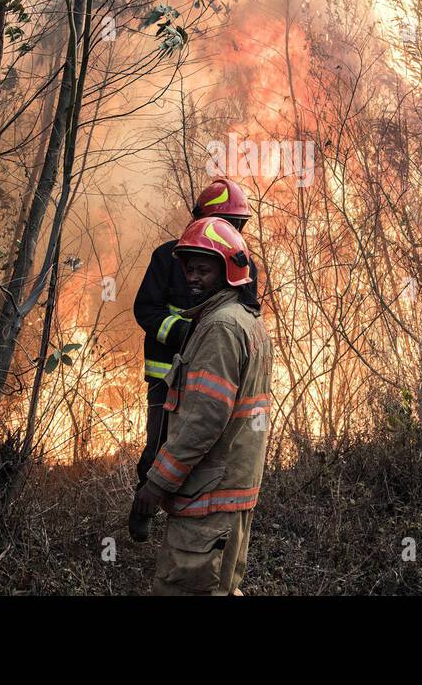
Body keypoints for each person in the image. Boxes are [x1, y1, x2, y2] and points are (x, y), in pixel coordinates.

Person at [133, 217, 272, 595]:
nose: (192, 277)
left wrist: (157, 482)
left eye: (204, 269)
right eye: (189, 268)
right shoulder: (241, 319)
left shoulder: (220, 329)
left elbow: (204, 420)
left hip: (209, 496)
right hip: (226, 491)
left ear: (228, 271)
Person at [129, 178, 258, 541]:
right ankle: (144, 509)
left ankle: (195, 522)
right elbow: (146, 309)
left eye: (236, 226)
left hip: (214, 375)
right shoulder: (169, 258)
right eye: (224, 222)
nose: (229, 232)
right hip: (165, 374)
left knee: (205, 444)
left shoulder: (242, 265)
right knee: (159, 446)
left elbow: (247, 313)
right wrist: (187, 334)